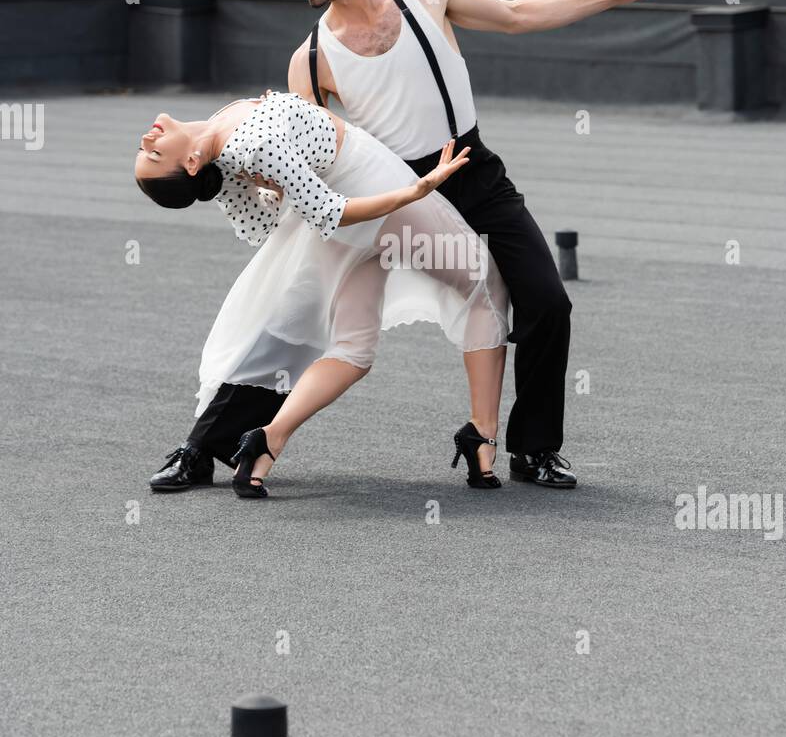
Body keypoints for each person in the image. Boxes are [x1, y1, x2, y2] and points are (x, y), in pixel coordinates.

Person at [153, 0, 655, 493]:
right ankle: (200, 450)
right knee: (293, 317)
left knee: (546, 302)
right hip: (388, 192)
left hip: (473, 173)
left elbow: (517, 15)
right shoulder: (310, 60)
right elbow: (307, 157)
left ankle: (534, 451)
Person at [136, 90, 509, 497]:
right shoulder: (247, 147)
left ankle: (268, 440)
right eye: (153, 156)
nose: (147, 141)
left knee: (353, 350)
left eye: (146, 151)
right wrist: (416, 191)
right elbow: (328, 210)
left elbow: (262, 222)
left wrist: (273, 182)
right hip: (380, 195)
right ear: (191, 163)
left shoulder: (223, 130)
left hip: (352, 227)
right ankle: (483, 435)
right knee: (482, 284)